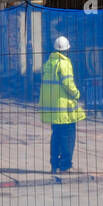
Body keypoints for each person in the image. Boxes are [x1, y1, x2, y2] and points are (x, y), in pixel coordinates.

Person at [40, 36, 85, 175]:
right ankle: (66, 166)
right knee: (68, 136)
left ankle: (54, 165)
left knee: (56, 136)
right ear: (67, 50)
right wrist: (77, 94)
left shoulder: (49, 63)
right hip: (64, 109)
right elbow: (68, 84)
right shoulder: (64, 63)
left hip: (53, 108)